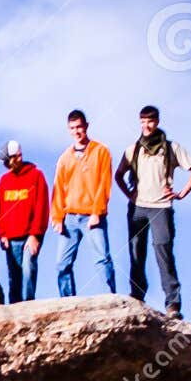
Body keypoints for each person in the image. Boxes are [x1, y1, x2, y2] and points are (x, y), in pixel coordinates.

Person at [116, 105, 191, 318]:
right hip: (138, 207)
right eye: (143, 121)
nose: (146, 125)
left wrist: (182, 193)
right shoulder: (133, 150)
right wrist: (130, 195)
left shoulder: (171, 148)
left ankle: (173, 304)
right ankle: (137, 295)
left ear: (157, 121)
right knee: (136, 252)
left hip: (161, 208)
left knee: (163, 252)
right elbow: (118, 175)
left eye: (150, 121)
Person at [51, 110, 116, 298]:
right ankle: (67, 301)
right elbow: (58, 189)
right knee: (62, 264)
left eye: (79, 126)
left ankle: (109, 298)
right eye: (72, 128)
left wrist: (97, 212)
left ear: (86, 126)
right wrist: (57, 217)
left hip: (92, 216)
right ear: (68, 130)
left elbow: (104, 184)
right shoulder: (65, 157)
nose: (76, 131)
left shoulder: (100, 151)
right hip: (69, 217)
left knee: (102, 258)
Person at [0, 140, 50, 302]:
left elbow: (42, 207)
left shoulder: (36, 176)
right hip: (10, 239)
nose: (6, 165)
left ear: (18, 156)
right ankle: (15, 310)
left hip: (30, 236)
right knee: (14, 278)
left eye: (7, 161)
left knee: (28, 270)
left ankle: (29, 306)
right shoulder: (4, 181)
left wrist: (35, 235)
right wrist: (2, 235)